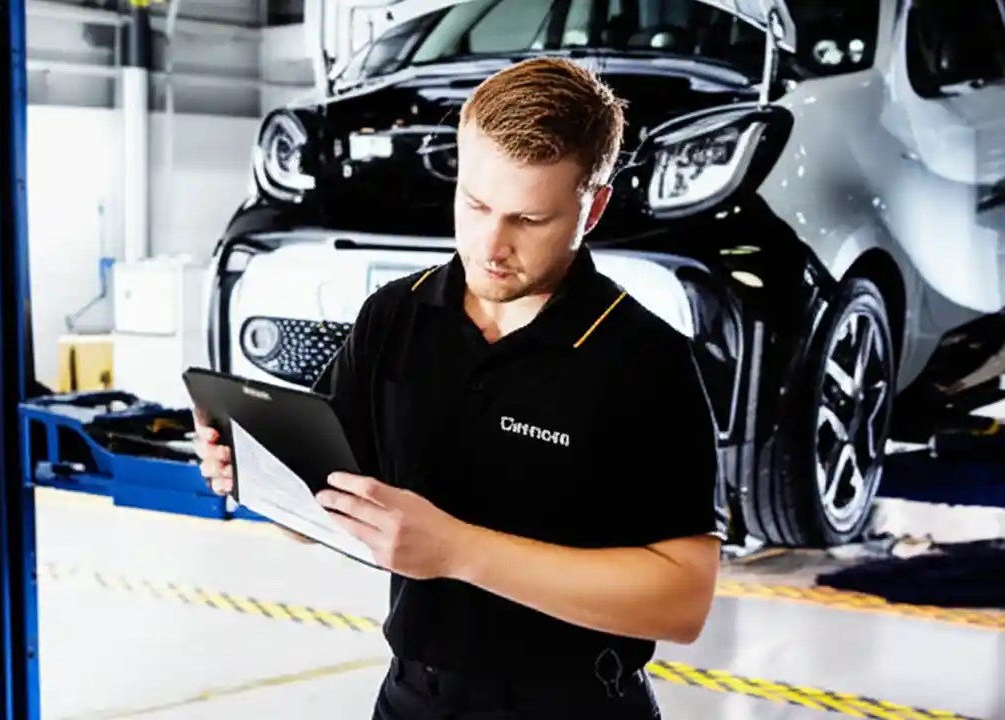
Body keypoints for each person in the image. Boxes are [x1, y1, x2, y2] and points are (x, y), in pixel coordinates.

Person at [194, 57, 724, 720]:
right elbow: (330, 504)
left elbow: (682, 602)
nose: (491, 245)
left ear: (593, 208)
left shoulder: (644, 359)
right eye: (474, 204)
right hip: (413, 698)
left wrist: (457, 551)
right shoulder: (395, 316)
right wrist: (259, 476)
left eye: (529, 219)